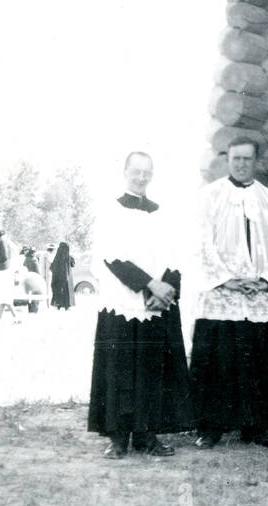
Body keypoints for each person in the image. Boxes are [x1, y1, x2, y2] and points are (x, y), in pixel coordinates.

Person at [87, 151, 194, 458]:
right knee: (120, 369)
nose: (142, 177)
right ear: (125, 172)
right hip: (123, 300)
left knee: (150, 370)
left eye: (147, 172)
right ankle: (118, 438)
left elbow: (176, 254)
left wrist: (166, 289)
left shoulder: (162, 212)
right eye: (136, 171)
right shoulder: (110, 210)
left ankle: (147, 436)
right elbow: (111, 257)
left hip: (155, 303)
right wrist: (148, 285)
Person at [192, 136, 268, 449]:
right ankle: (211, 428)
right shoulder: (210, 196)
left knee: (258, 364)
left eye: (247, 159)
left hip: (258, 295)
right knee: (219, 364)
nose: (241, 164)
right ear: (228, 159)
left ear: (256, 161)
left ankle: (256, 426)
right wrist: (225, 279)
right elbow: (201, 241)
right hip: (222, 295)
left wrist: (266, 280)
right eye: (236, 159)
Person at [50, 241, 75, 309]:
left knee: (59, 290)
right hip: (66, 278)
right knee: (66, 291)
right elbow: (73, 265)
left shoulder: (57, 257)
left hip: (57, 278)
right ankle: (67, 305)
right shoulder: (69, 257)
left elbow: (51, 268)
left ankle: (59, 305)